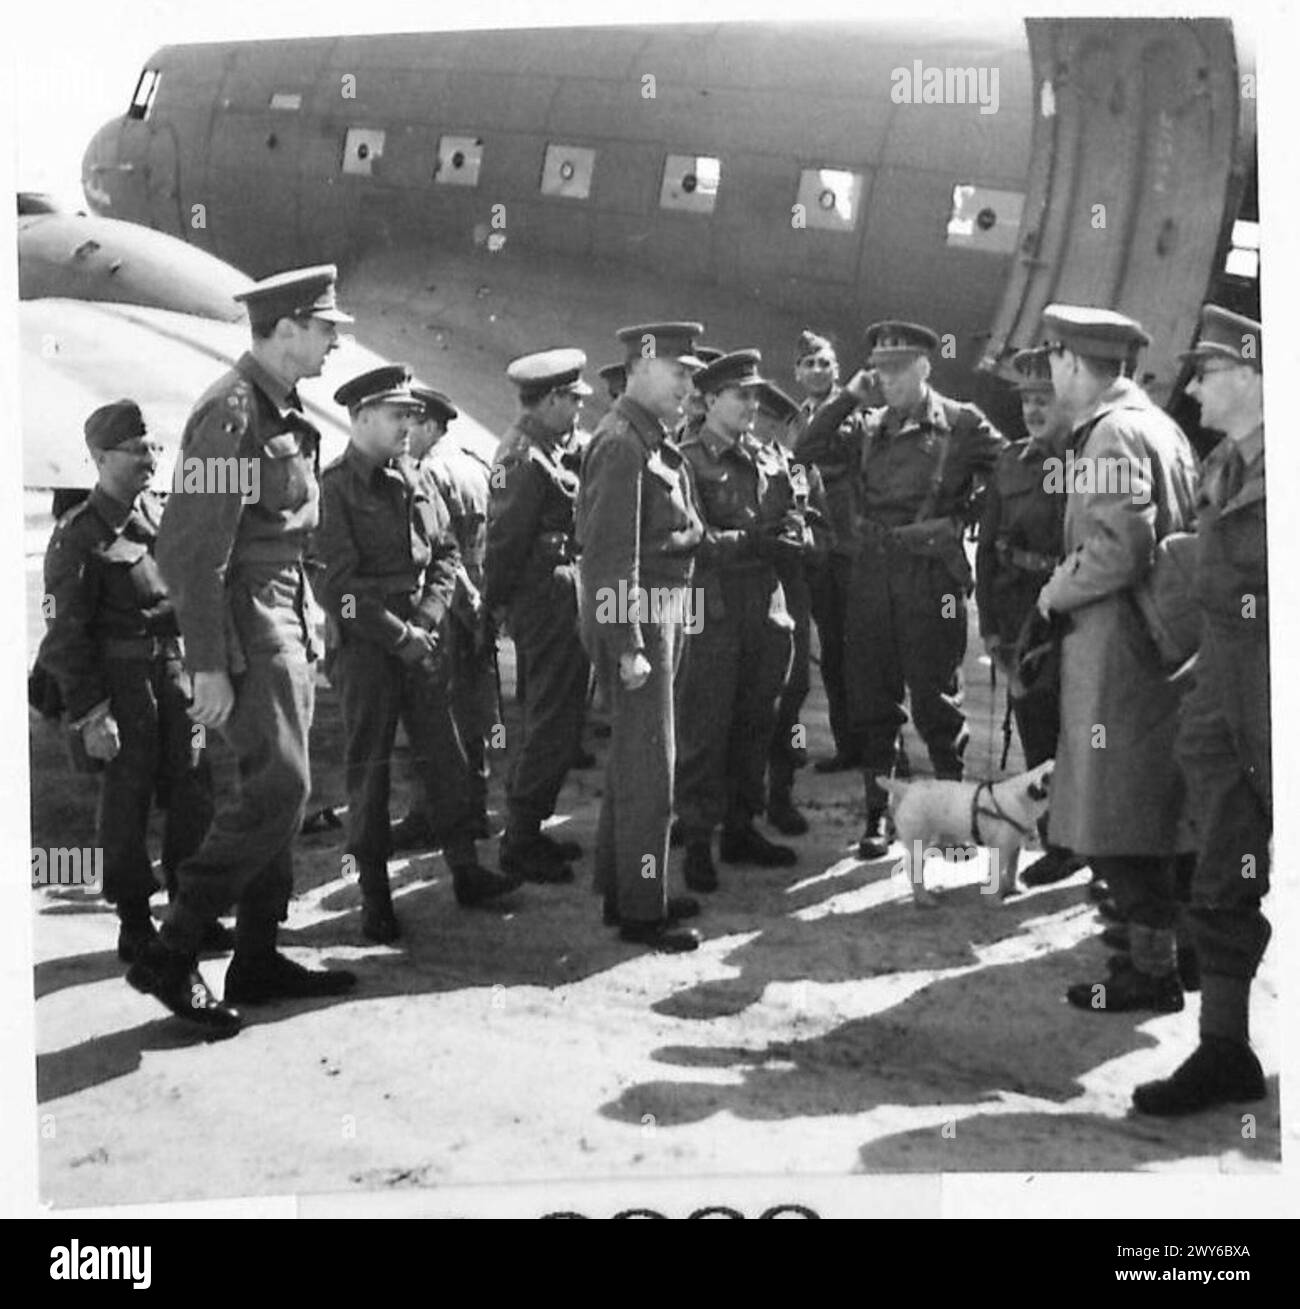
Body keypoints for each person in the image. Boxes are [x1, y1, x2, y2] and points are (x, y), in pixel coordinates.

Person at [128, 265, 358, 1036]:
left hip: (286, 608)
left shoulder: (282, 409)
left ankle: (257, 954)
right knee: (281, 787)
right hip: (247, 617)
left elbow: (298, 532)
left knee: (280, 785)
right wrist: (206, 662)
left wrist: (314, 610)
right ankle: (174, 943)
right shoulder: (231, 412)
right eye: (325, 328)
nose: (334, 342)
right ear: (285, 328)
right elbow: (192, 550)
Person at [1031, 305, 1200, 1016]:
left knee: (1114, 809)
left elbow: (1120, 549)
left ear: (1071, 362)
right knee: (1157, 801)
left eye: (1052, 361)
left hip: (1117, 643)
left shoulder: (1110, 436)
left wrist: (1052, 590)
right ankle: (1177, 949)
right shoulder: (1160, 425)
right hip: (1162, 642)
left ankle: (1150, 971)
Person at [316, 365, 517, 944]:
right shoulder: (336, 488)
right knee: (370, 771)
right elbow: (336, 591)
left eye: (411, 415)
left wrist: (426, 623)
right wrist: (399, 635)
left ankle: (465, 869)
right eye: (396, 415)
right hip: (368, 651)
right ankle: (375, 897)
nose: (409, 425)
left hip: (421, 641)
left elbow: (448, 553)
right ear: (360, 419)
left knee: (446, 758)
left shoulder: (416, 477)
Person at [1134, 305, 1269, 1112]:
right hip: (1224, 683)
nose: (1193, 387)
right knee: (1222, 855)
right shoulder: (1223, 464)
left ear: (1251, 377)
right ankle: (1224, 1046)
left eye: (1208, 372)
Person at [37, 401, 221, 963]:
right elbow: (65, 636)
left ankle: (188, 913)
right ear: (99, 457)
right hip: (121, 687)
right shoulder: (79, 536)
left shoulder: (157, 516)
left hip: (173, 674)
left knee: (193, 790)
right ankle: (134, 921)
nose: (150, 458)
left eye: (153, 448)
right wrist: (92, 714)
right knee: (126, 799)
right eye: (137, 449)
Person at [846, 321, 1005, 859]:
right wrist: (847, 398)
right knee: (874, 701)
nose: (886, 380)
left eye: (898, 369)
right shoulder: (866, 426)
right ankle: (879, 816)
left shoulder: (962, 424)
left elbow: (1013, 474)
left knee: (937, 701)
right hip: (872, 577)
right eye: (879, 370)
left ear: (924, 368)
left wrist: (962, 518)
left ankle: (955, 815)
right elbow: (808, 447)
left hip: (930, 580)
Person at [576, 322, 706, 951]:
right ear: (643, 368)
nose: (689, 385)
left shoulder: (648, 439)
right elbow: (608, 559)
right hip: (642, 618)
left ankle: (623, 885)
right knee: (651, 769)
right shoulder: (623, 444)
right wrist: (626, 642)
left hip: (664, 611)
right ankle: (642, 909)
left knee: (639, 763)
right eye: (680, 372)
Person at [675, 350, 805, 891]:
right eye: (740, 395)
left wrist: (800, 531)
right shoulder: (685, 459)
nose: (753, 404)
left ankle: (741, 826)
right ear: (708, 400)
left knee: (757, 719)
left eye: (755, 395)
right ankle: (698, 840)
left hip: (765, 604)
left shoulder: (769, 456)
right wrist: (753, 540)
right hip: (713, 604)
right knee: (707, 725)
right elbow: (687, 538)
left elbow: (790, 513)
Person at [974, 347, 1082, 886]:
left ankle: (1099, 847)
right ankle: (1059, 843)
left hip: (1075, 617)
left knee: (1084, 733)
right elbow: (986, 548)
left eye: (1046, 400)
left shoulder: (1092, 461)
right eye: (1027, 402)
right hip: (1019, 617)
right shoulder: (1010, 461)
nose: (1034, 411)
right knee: (1038, 733)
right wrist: (990, 624)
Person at [486, 349, 593, 884]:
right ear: (549, 399)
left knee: (559, 716)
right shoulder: (523, 458)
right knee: (550, 718)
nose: (578, 409)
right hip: (544, 598)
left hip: (560, 592)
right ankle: (520, 837)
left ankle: (528, 825)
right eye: (572, 400)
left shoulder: (553, 448)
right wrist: (499, 607)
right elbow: (503, 543)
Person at [391, 385, 499, 848]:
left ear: (432, 425)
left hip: (450, 602)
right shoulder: (475, 463)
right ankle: (474, 807)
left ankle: (433, 813)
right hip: (481, 598)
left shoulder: (428, 471)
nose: (405, 431)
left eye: (413, 422)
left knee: (436, 714)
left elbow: (440, 547)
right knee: (477, 711)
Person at [754, 380, 832, 835]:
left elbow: (828, 539)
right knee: (731, 705)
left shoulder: (801, 474)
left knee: (791, 698)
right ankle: (722, 806)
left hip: (790, 597)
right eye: (754, 413)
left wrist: (804, 540)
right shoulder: (725, 465)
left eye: (769, 420)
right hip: (739, 597)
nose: (758, 425)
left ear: (784, 426)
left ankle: (780, 797)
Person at [790, 330, 869, 772]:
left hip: (850, 547)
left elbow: (808, 453)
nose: (817, 371)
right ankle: (848, 745)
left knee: (861, 653)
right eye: (809, 364)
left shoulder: (854, 416)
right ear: (797, 372)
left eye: (825, 363)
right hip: (819, 550)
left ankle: (880, 749)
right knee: (834, 653)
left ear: (837, 369)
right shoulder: (798, 416)